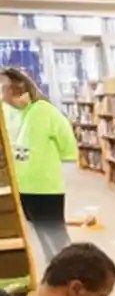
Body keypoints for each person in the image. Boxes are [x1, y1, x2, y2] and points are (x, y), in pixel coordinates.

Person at [1, 67, 76, 262]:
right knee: (40, 234)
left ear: (20, 87)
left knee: (55, 234)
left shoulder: (45, 110)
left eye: (6, 89)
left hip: (45, 187)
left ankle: (72, 271)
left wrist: (64, 167)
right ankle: (56, 272)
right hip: (22, 186)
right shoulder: (11, 113)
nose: (4, 95)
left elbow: (68, 144)